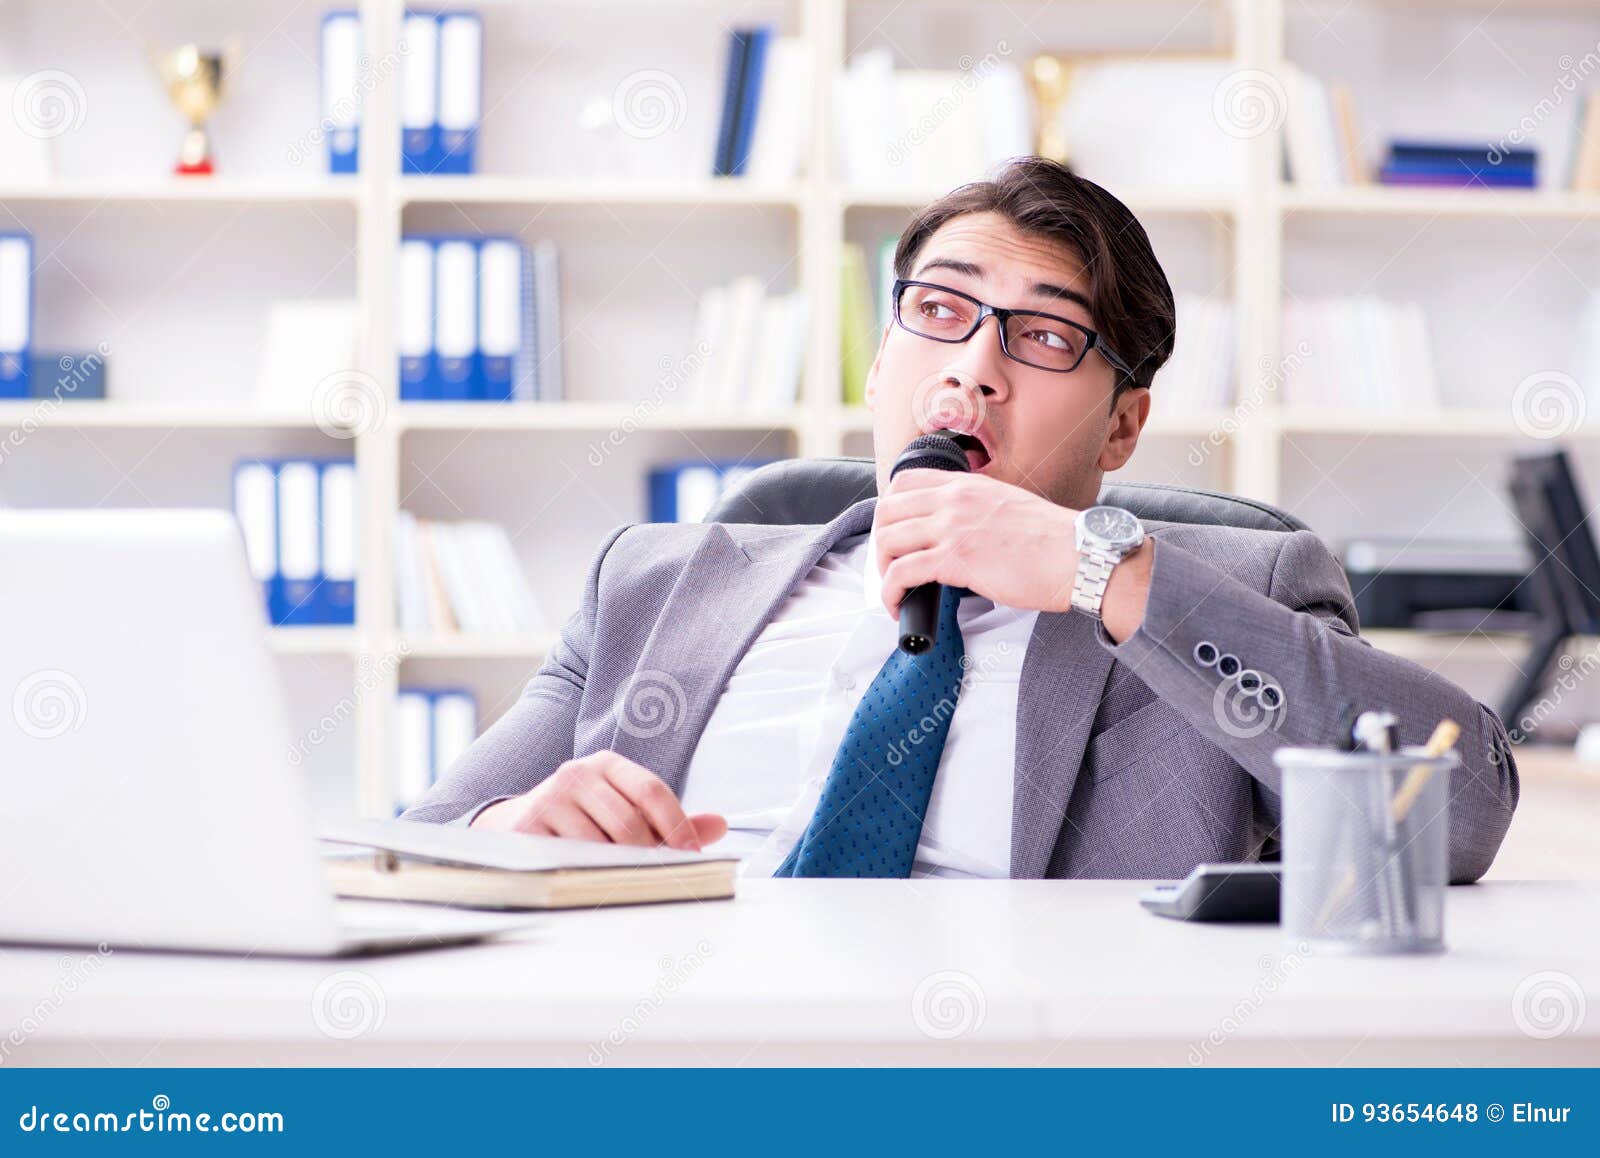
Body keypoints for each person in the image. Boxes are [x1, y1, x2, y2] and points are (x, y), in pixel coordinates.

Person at [403, 156, 1517, 882]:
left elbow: (1454, 813)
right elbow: (409, 855)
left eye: (1041, 337)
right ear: (885, 360)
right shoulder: (653, 579)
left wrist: (1105, 577)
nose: (973, 370)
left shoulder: (1232, 588)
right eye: (940, 312)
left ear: (1122, 428)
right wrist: (516, 836)